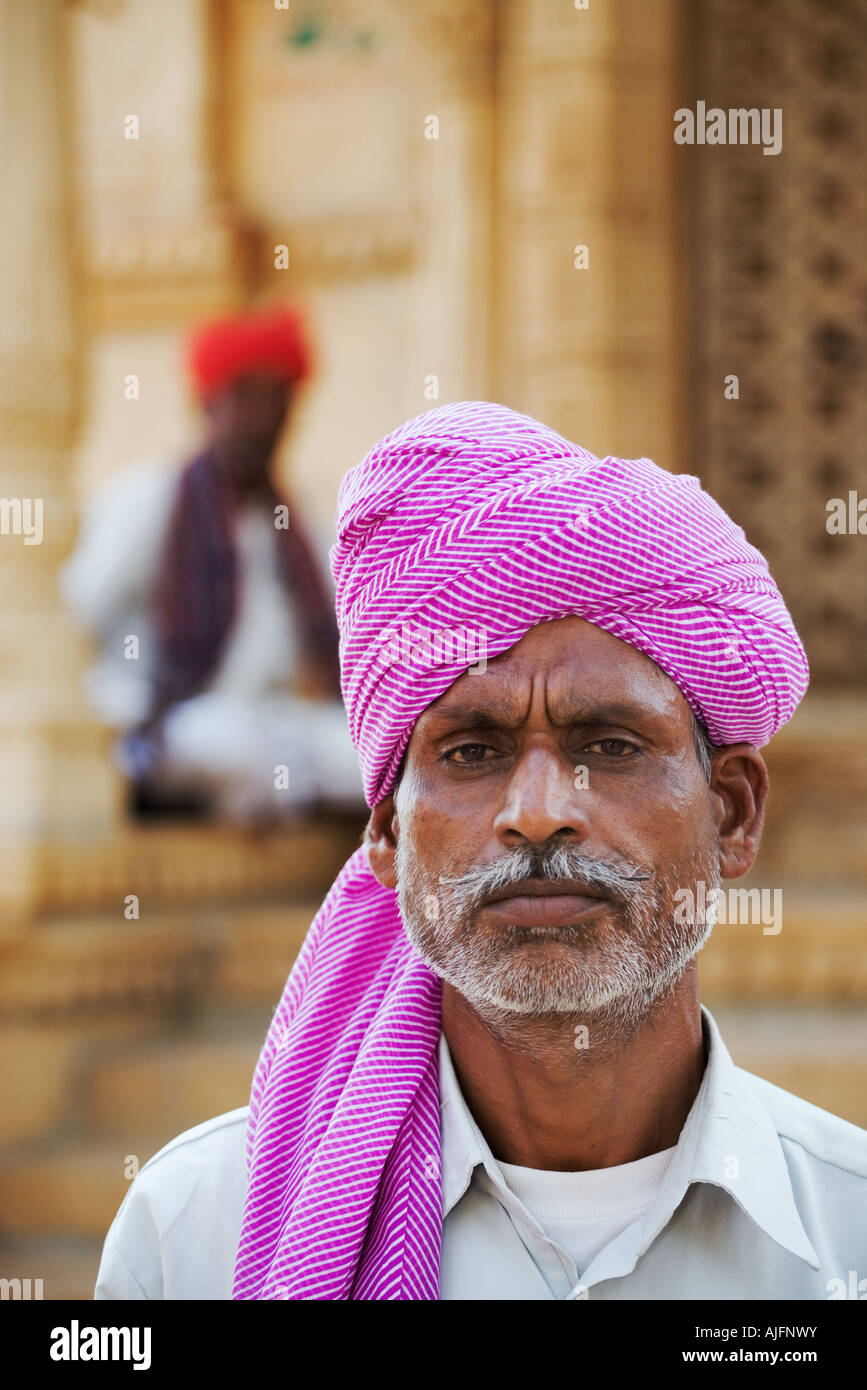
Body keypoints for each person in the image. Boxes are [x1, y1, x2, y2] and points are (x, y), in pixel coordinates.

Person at [94, 401, 866, 1300]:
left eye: (609, 746)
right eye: (470, 753)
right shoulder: (192, 1235)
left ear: (731, 813)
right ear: (385, 831)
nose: (538, 815)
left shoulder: (844, 1232)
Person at [63, 303, 363, 821]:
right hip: (170, 719)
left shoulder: (295, 524)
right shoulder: (149, 502)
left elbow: (343, 640)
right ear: (207, 403)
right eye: (244, 397)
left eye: (276, 400)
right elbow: (72, 622)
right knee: (228, 750)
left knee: (375, 762)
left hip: (271, 724)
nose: (260, 418)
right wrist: (119, 708)